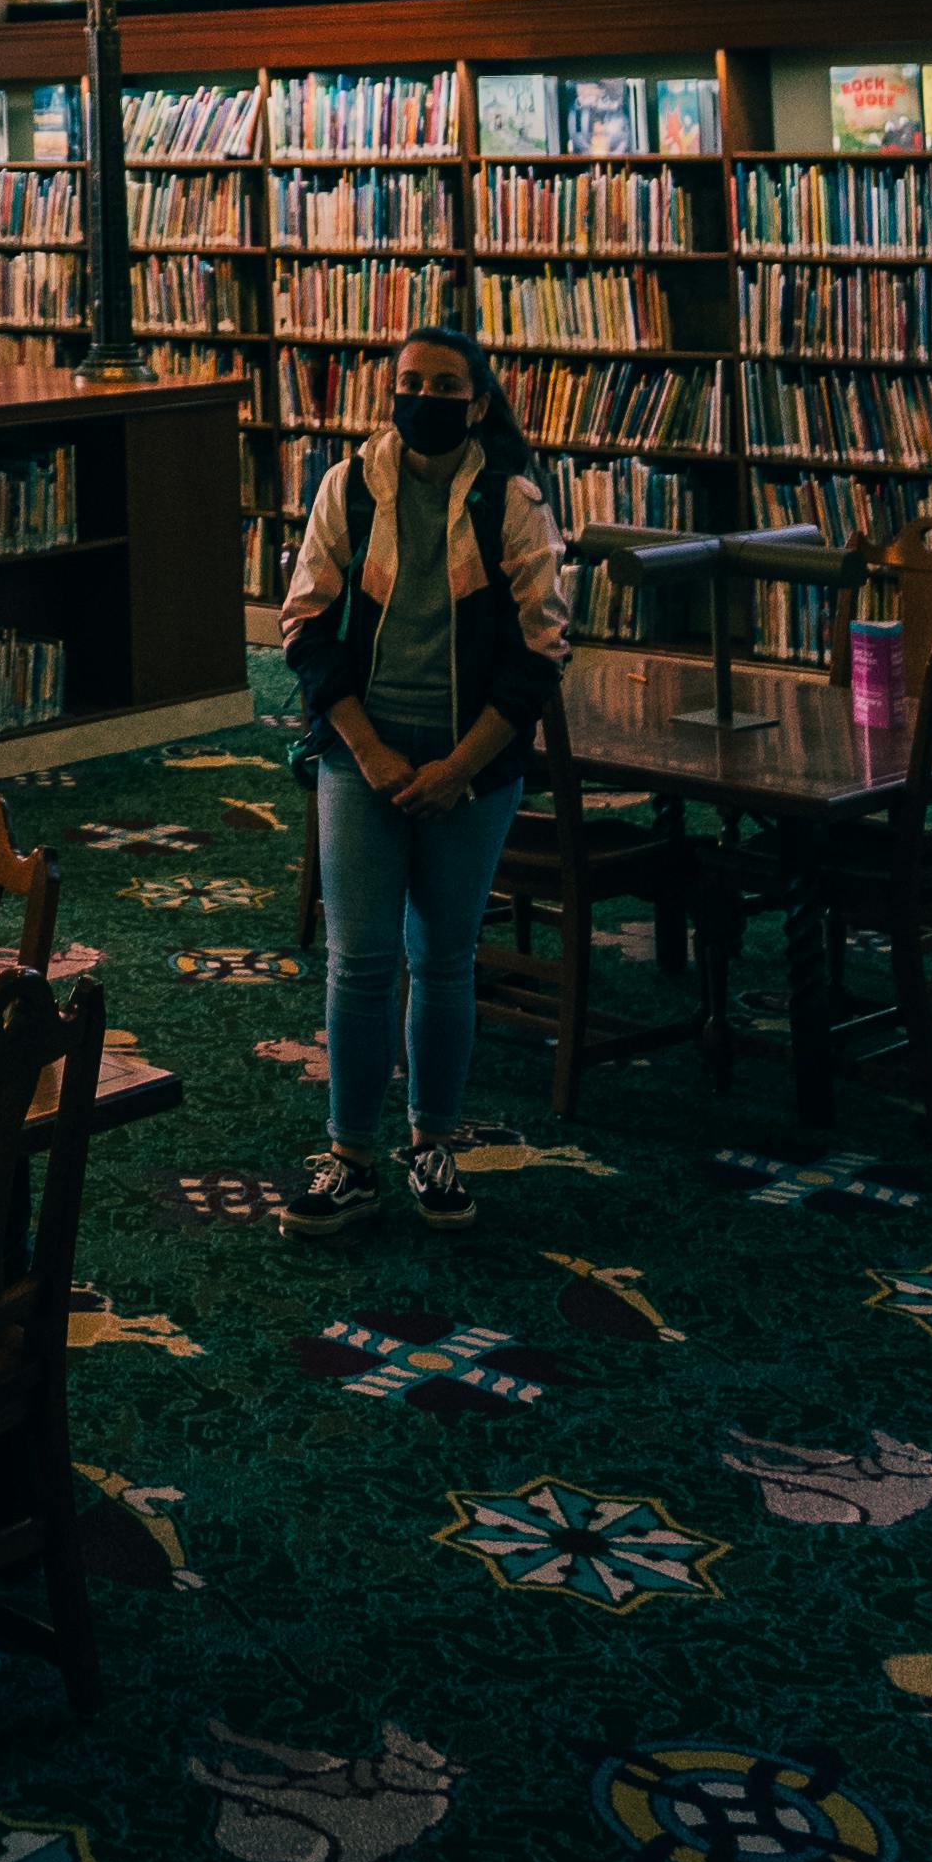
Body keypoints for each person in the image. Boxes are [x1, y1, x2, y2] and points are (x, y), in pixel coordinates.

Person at [275, 329, 570, 1234]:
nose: (423, 398)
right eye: (409, 382)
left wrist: (457, 769)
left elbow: (539, 654)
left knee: (444, 960)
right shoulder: (347, 489)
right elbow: (306, 630)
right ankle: (352, 1157)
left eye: (445, 386)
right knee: (360, 960)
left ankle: (433, 1143)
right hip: (359, 754)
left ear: (477, 404)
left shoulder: (512, 502)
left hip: (472, 764)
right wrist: (369, 753)